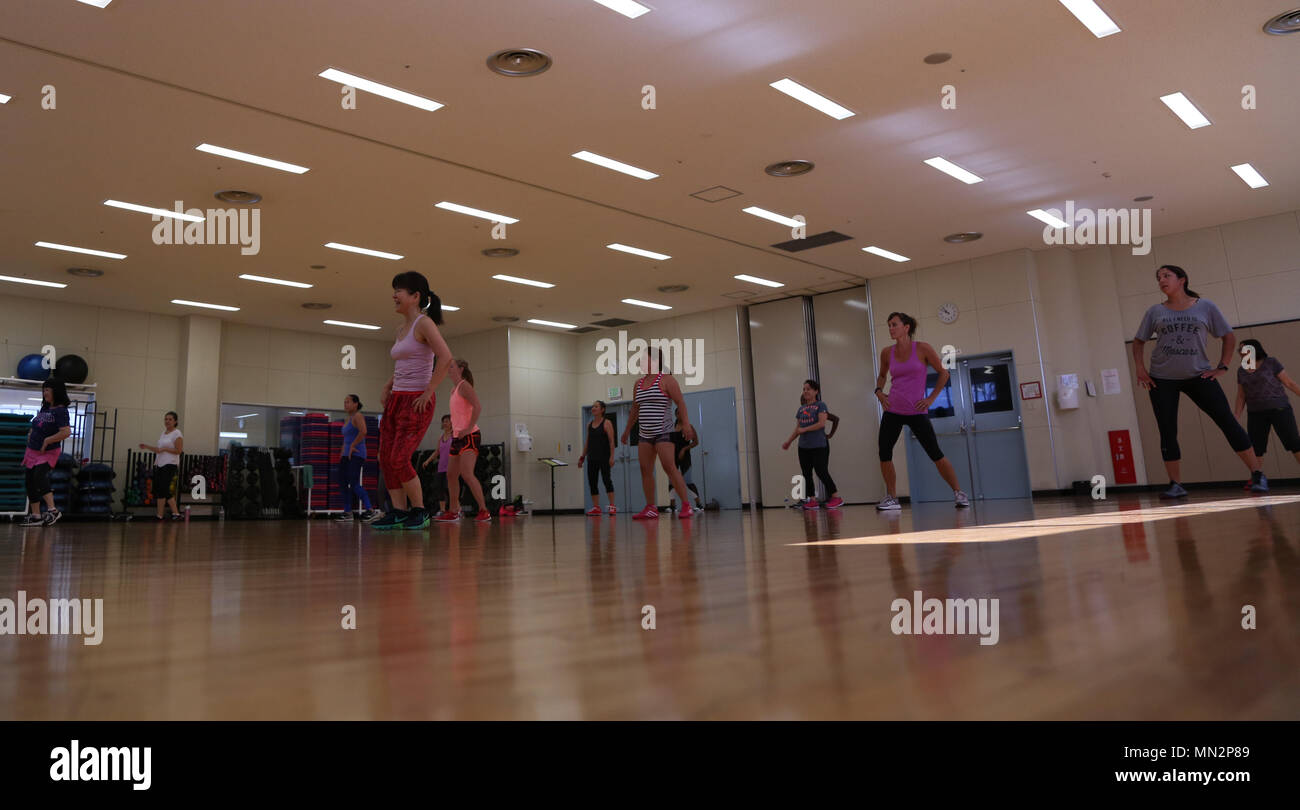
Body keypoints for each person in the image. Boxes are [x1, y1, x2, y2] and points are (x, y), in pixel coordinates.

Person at [1132, 265, 1266, 497]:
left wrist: (1222, 366)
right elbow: (1138, 341)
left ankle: (1257, 474)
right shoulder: (1154, 311)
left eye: (1166, 276)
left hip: (1199, 376)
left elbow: (1229, 337)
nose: (1161, 280)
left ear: (1182, 280)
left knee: (1227, 422)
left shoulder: (1205, 306)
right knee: (1167, 430)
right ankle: (1176, 484)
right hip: (1162, 379)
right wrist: (1140, 368)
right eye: (1158, 277)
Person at [372, 271, 454, 530]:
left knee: (399, 459)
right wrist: (388, 385)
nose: (394, 295)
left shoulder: (424, 324)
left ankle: (420, 510)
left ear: (416, 296)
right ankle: (398, 511)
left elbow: (446, 358)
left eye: (400, 291)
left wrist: (429, 390)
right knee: (385, 457)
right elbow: (404, 364)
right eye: (394, 290)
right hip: (397, 399)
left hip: (417, 401)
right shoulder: (401, 328)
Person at [873, 312, 969, 509]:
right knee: (884, 453)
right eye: (889, 325)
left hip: (917, 411)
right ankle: (892, 498)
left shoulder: (923, 348)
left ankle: (959, 493)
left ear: (906, 327)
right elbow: (882, 376)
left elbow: (944, 373)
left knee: (935, 453)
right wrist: (879, 392)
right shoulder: (886, 352)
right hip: (893, 410)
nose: (891, 328)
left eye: (894, 325)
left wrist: (931, 399)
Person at [619, 350, 698, 519]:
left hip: (663, 432)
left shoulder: (667, 380)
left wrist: (685, 424)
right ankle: (651, 508)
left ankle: (686, 505)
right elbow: (635, 408)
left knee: (669, 467)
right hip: (644, 433)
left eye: (643, 359)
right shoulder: (638, 384)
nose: (640, 362)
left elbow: (680, 402)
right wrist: (626, 430)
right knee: (645, 469)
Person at [1234, 339, 1300, 487]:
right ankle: (1257, 479)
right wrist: (1236, 416)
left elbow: (1289, 383)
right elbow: (1241, 396)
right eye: (1240, 351)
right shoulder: (1241, 370)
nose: (1241, 353)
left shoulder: (1271, 363)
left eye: (1244, 349)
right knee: (1256, 447)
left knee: (1294, 443)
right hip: (1255, 413)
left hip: (1280, 409)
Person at [437, 359, 491, 522]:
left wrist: (467, 429)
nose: (449, 369)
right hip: (457, 437)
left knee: (467, 474)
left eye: (451, 366)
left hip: (470, 436)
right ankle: (454, 510)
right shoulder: (454, 389)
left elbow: (478, 406)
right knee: (451, 475)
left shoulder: (464, 386)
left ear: (460, 369)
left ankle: (484, 510)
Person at [782, 379, 846, 509]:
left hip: (819, 445)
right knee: (806, 473)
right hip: (803, 447)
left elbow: (821, 424)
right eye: (804, 389)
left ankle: (836, 497)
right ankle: (812, 500)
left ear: (815, 391)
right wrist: (789, 441)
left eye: (808, 389)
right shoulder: (801, 409)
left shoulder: (821, 405)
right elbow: (797, 428)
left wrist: (804, 430)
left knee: (821, 471)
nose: (805, 391)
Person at [22, 377, 72, 527]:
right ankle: (36, 515)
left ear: (56, 391)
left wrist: (47, 440)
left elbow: (65, 432)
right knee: (29, 481)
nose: (45, 393)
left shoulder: (61, 411)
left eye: (48, 390)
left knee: (39, 477)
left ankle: (53, 510)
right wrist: (32, 433)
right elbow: (38, 424)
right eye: (44, 390)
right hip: (33, 450)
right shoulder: (45, 408)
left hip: (48, 451)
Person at [336, 395, 378, 522]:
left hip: (357, 454)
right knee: (342, 482)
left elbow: (363, 431)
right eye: (344, 402)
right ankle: (348, 512)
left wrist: (353, 445)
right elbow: (346, 439)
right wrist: (342, 453)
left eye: (348, 402)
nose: (345, 404)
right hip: (346, 455)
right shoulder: (347, 418)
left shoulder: (358, 416)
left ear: (356, 404)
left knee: (353, 483)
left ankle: (370, 510)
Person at [138, 411, 184, 520]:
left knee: (162, 489)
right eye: (166, 419)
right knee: (161, 489)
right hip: (160, 463)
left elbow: (178, 451)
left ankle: (159, 515)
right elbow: (159, 450)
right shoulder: (163, 433)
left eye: (170, 419)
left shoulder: (177, 434)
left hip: (170, 464)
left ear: (175, 421)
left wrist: (165, 449)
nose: (167, 421)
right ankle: (176, 514)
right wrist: (147, 446)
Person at [579, 400, 617, 516]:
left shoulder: (607, 423)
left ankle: (612, 506)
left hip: (604, 457)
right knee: (592, 482)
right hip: (592, 458)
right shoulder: (589, 425)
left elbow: (611, 442)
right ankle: (596, 507)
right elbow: (588, 442)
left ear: (602, 409)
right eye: (593, 406)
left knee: (607, 480)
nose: (593, 408)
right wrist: (582, 457)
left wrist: (612, 457)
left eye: (596, 406)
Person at [669, 410, 704, 511]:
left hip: (685, 457)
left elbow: (696, 442)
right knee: (672, 481)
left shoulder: (689, 427)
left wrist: (684, 449)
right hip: (673, 457)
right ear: (676, 414)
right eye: (679, 413)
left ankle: (698, 504)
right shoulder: (671, 427)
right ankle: (672, 506)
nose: (681, 415)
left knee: (688, 480)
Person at [421, 414, 454, 516]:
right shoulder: (441, 437)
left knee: (451, 489)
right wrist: (428, 461)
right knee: (439, 488)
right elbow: (437, 451)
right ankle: (443, 510)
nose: (445, 423)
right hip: (441, 467)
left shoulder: (455, 436)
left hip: (452, 467)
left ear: (452, 422)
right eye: (443, 421)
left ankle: (456, 510)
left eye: (447, 421)